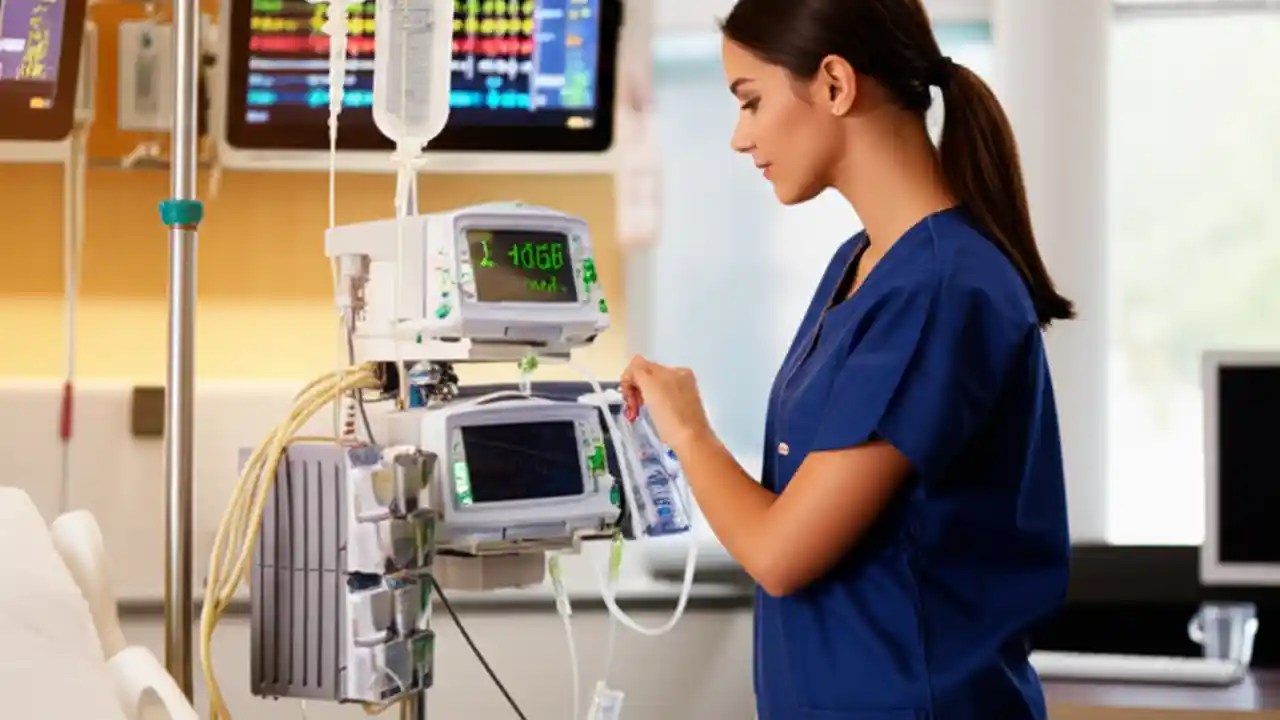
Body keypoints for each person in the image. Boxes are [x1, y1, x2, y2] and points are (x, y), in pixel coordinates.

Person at [619, 1, 1073, 718]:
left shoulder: (943, 287)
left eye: (752, 102)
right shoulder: (860, 267)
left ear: (833, 84)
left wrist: (689, 433)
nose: (741, 138)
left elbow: (781, 552)